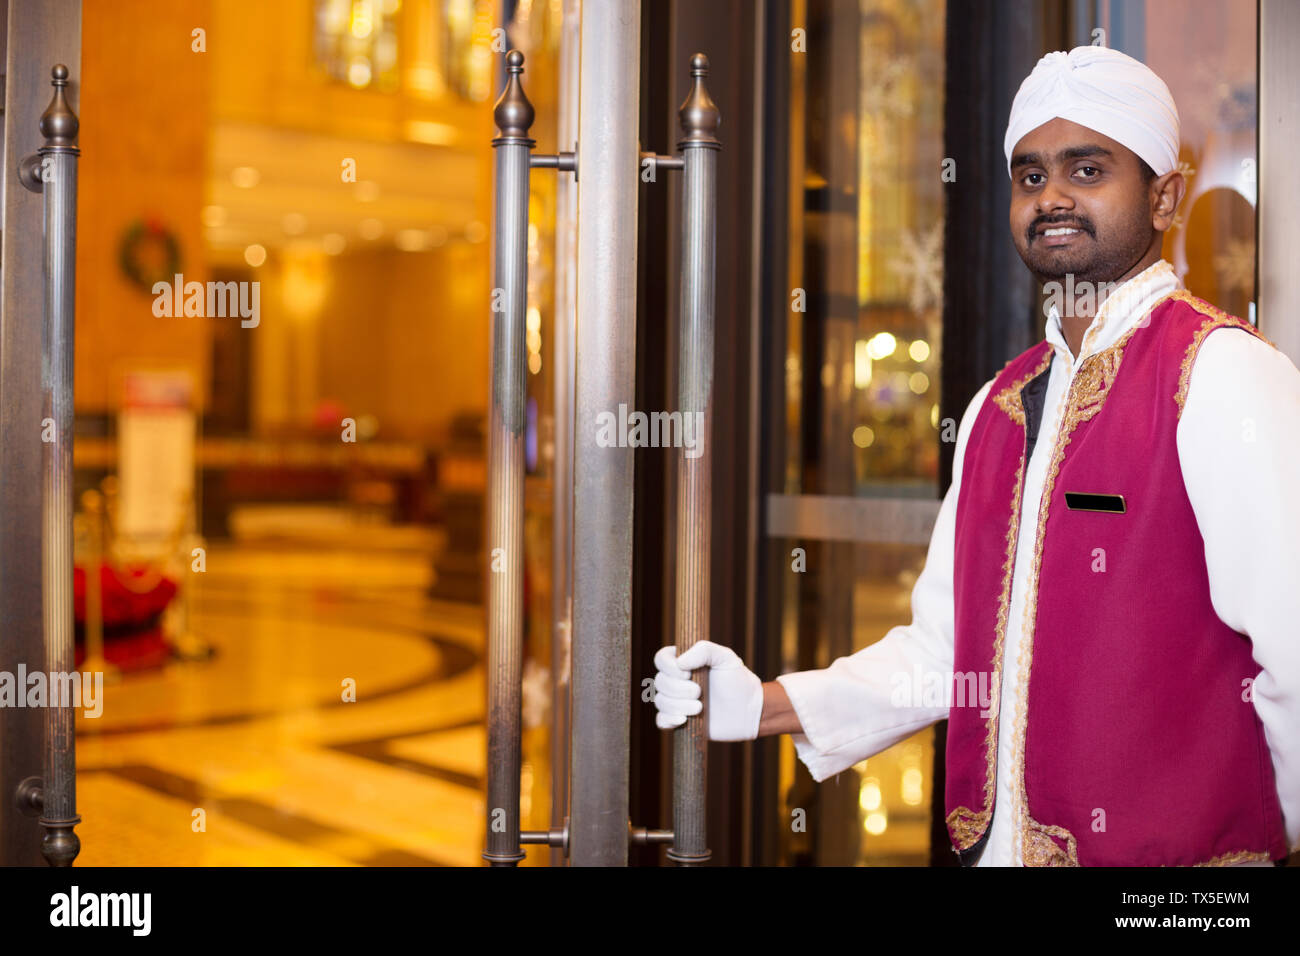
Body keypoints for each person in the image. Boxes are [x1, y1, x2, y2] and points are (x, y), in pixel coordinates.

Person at [652, 45, 1300, 867]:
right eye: (1030, 177)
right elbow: (943, 654)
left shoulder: (1221, 373)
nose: (1053, 197)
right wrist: (762, 705)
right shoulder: (999, 406)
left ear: (1165, 195)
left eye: (1087, 169)